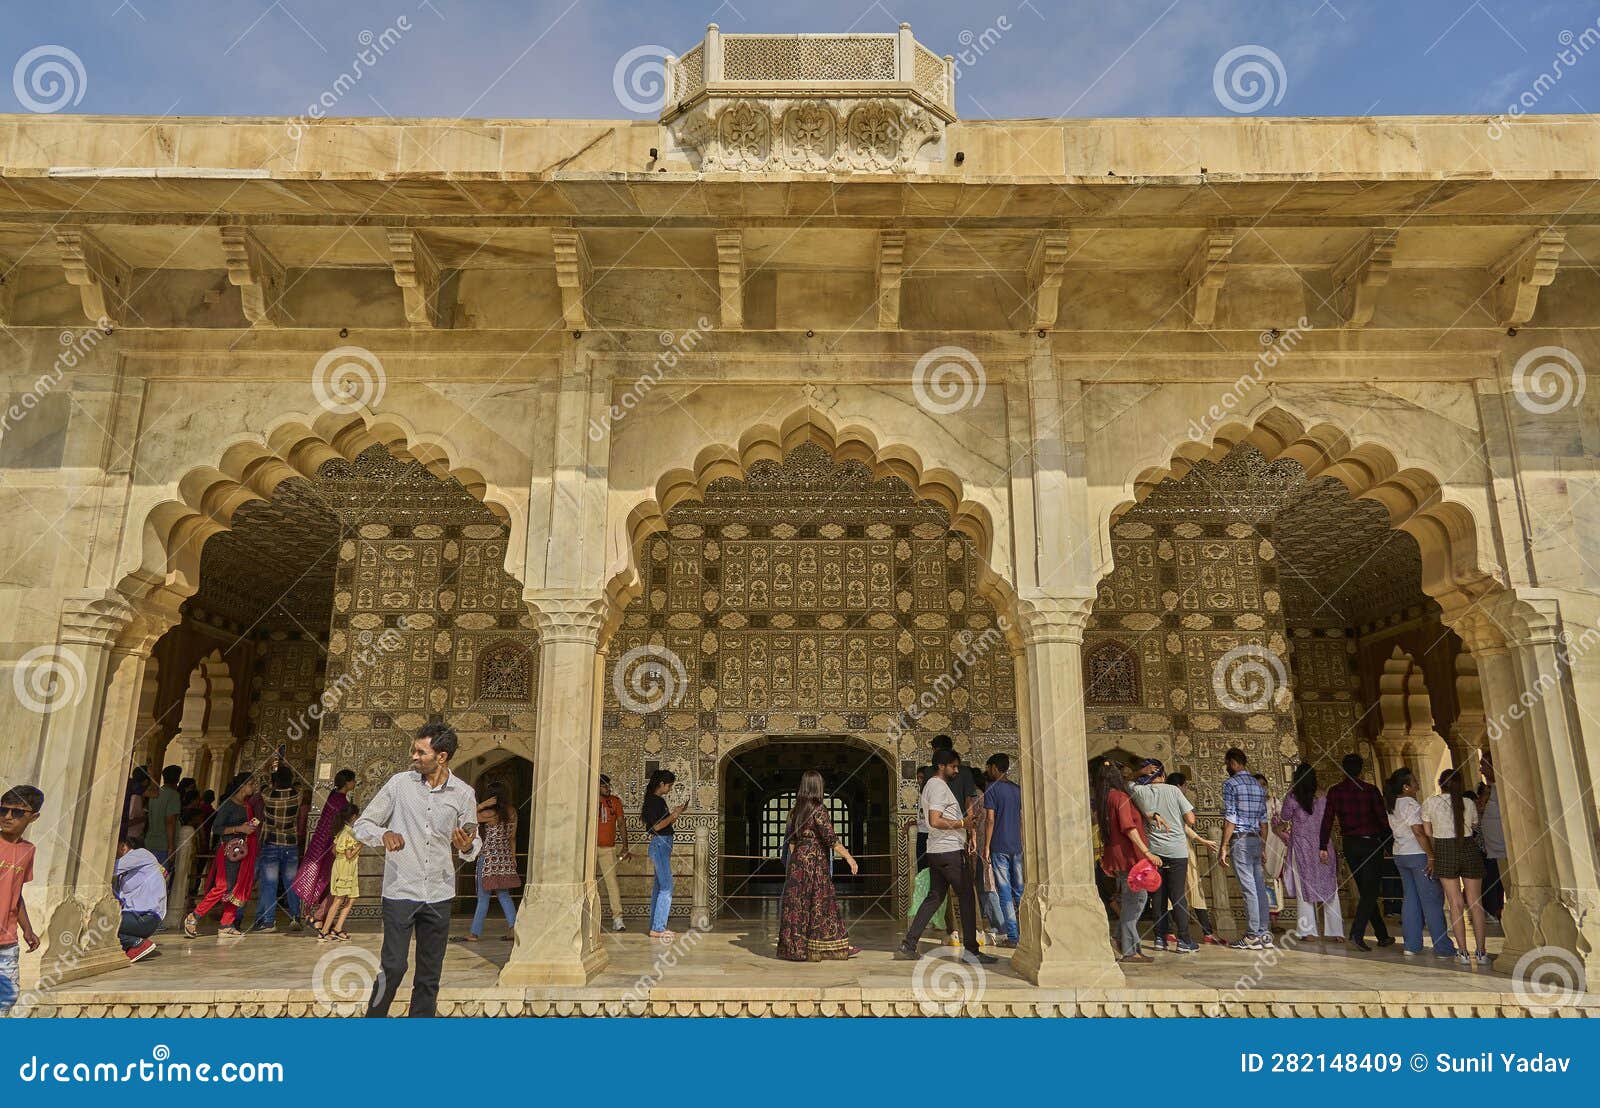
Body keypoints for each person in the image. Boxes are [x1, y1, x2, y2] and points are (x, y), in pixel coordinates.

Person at [356, 722, 480, 1018]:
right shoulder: (399, 784)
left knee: (429, 973)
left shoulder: (463, 794)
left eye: (421, 752)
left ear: (442, 756)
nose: (414, 756)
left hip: (438, 893)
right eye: (415, 750)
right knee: (394, 965)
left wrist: (466, 847)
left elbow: (473, 840)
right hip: (401, 890)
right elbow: (362, 824)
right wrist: (383, 834)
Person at [897, 749, 997, 965]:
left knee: (935, 897)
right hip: (948, 851)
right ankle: (972, 951)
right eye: (953, 766)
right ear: (941, 766)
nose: (956, 770)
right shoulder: (938, 787)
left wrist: (966, 831)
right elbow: (935, 820)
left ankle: (908, 944)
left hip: (938, 851)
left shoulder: (933, 786)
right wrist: (962, 824)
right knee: (967, 897)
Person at [776, 770, 861, 961]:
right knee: (822, 904)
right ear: (817, 787)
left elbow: (791, 842)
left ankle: (795, 949)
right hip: (815, 862)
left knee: (798, 905)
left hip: (798, 862)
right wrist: (849, 858)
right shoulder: (818, 809)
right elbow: (831, 838)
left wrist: (794, 863)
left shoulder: (795, 811)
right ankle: (834, 947)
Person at [1319, 752, 1392, 950]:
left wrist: (1322, 845)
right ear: (1361, 770)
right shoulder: (1370, 791)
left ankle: (1382, 935)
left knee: (1366, 890)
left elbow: (1327, 819)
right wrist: (1390, 844)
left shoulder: (1335, 791)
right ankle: (1357, 933)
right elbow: (1382, 819)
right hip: (1370, 844)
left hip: (1350, 845)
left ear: (1343, 770)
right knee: (1370, 891)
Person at [1094, 760, 1163, 963]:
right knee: (1136, 901)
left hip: (1118, 857)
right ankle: (1129, 950)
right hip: (1130, 856)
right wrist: (1147, 852)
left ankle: (1121, 939)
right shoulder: (1120, 796)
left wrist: (1151, 815)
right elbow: (1128, 827)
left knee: (1132, 901)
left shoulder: (1107, 798)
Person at [1383, 767, 1456, 958]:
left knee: (1411, 899)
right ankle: (1443, 947)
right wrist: (1431, 856)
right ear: (1406, 787)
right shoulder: (1410, 803)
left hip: (1400, 854)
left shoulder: (1393, 803)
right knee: (1432, 900)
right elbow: (1418, 831)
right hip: (1417, 854)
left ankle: (1412, 945)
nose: (1417, 784)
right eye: (1414, 781)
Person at [1130, 759, 1198, 953]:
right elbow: (1191, 819)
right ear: (1164, 775)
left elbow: (1127, 781)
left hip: (1155, 852)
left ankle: (1160, 938)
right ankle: (1184, 940)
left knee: (1158, 896)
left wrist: (1140, 773)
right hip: (1177, 851)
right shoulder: (1174, 790)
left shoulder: (1139, 791)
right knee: (1177, 896)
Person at [1423, 768, 1490, 966]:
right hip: (1468, 848)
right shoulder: (1468, 802)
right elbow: (1475, 825)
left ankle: (1463, 952)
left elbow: (1428, 831)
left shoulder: (1430, 802)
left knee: (1455, 903)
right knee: (1476, 903)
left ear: (1440, 783)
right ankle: (1481, 952)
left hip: (1445, 850)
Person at [184, 771, 260, 938]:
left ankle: (227, 923)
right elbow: (217, 828)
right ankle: (194, 916)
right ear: (242, 786)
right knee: (223, 886)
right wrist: (239, 828)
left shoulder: (247, 806)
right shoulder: (229, 805)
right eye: (251, 784)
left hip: (242, 852)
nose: (253, 787)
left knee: (235, 887)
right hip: (228, 852)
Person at [1275, 763, 1344, 942]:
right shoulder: (1323, 796)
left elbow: (1284, 818)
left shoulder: (1293, 797)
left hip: (1302, 848)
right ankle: (1336, 932)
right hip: (1323, 845)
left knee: (1303, 889)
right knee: (1330, 887)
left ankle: (1308, 932)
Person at [1160, 773, 1223, 944]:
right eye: (1185, 786)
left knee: (1171, 891)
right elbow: (1188, 824)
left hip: (1165, 849)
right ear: (1179, 786)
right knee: (1193, 888)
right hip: (1182, 849)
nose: (1186, 789)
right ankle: (1205, 932)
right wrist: (1202, 840)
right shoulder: (1177, 798)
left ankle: (1169, 931)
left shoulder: (1161, 800)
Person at [1219, 748, 1272, 949]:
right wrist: (1263, 846)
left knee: (1249, 888)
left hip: (1240, 840)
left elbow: (1231, 817)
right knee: (1259, 887)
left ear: (1233, 763)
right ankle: (1263, 934)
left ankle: (1252, 935)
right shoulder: (1258, 786)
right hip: (1256, 839)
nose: (1227, 767)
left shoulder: (1231, 784)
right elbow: (1264, 822)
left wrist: (1224, 845)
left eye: (1227, 764)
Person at [290, 768, 357, 928]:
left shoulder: (334, 797)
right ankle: (318, 916)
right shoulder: (339, 802)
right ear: (347, 782)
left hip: (327, 846)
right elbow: (335, 827)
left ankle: (321, 918)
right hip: (332, 847)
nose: (355, 783)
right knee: (334, 883)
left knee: (329, 882)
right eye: (353, 780)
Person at [0, 785, 43, 1016]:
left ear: (33, 817)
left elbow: (16, 893)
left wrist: (27, 929)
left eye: (16, 812)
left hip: (7, 940)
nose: (7, 817)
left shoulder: (28, 850)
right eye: (3, 810)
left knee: (7, 998)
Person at [251, 760, 308, 932]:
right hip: (290, 844)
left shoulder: (268, 795)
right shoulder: (296, 795)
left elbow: (262, 783)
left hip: (271, 843)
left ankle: (269, 921)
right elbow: (300, 783)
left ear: (275, 781)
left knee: (270, 883)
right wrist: (289, 768)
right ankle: (295, 916)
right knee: (291, 882)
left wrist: (267, 770)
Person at [466, 782, 520, 942]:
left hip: (488, 858)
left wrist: (483, 804)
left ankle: (474, 933)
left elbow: (468, 815)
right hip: (504, 858)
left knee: (483, 897)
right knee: (504, 895)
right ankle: (513, 928)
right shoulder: (512, 812)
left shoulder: (489, 813)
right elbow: (512, 837)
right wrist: (513, 857)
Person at [982, 753, 1023, 947]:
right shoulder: (1017, 789)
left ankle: (1013, 936)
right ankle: (1027, 932)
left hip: (999, 845)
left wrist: (986, 846)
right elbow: (1021, 818)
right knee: (1019, 890)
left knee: (1005, 891)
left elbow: (990, 819)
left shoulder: (992, 788)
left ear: (994, 768)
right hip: (1016, 845)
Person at [641, 769, 687, 941]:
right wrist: (674, 815)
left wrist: (675, 814)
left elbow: (662, 824)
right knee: (667, 887)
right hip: (660, 844)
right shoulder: (654, 801)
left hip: (662, 844)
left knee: (659, 887)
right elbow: (656, 827)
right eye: (669, 786)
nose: (670, 789)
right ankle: (658, 928)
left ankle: (656, 926)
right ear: (661, 784)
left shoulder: (656, 801)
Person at [113, 835, 166, 963]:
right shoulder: (124, 874)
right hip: (135, 917)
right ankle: (134, 943)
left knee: (103, 921)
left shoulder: (141, 854)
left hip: (146, 917)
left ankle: (137, 943)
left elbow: (109, 868)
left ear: (123, 846)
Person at [316, 803, 362, 943]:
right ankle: (324, 931)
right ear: (353, 817)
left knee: (352, 898)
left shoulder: (342, 831)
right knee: (338, 900)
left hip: (346, 867)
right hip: (345, 868)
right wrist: (361, 844)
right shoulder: (349, 833)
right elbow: (349, 855)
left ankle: (337, 928)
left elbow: (334, 850)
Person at [969, 771, 1004, 946]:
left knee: (987, 887)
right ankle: (995, 926)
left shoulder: (976, 796)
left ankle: (999, 927)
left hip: (983, 848)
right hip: (989, 846)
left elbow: (974, 822)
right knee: (989, 886)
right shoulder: (986, 795)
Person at [595, 774, 629, 932]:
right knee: (587, 883)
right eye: (604, 786)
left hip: (608, 848)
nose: (607, 788)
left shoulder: (615, 801)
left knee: (612, 883)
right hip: (590, 849)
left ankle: (617, 918)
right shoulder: (590, 801)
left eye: (608, 785)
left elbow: (621, 823)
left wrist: (625, 846)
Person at [1476, 751, 1506, 922]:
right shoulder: (1489, 790)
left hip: (1504, 850)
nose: (1481, 770)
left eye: (1484, 765)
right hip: (1492, 850)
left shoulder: (1503, 790)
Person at [145, 765, 183, 872]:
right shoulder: (173, 795)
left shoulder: (155, 793)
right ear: (177, 779)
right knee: (160, 877)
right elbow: (170, 821)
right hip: (163, 845)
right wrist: (171, 847)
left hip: (150, 841)